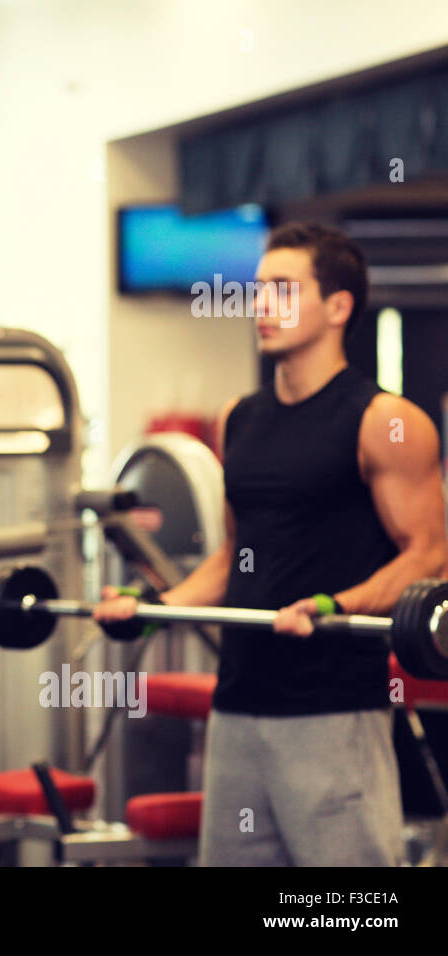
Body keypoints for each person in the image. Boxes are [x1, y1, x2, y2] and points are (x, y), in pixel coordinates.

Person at [95, 221, 448, 866]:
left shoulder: (385, 422)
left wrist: (336, 605)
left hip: (332, 713)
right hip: (238, 707)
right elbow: (235, 556)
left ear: (338, 306)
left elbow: (429, 553)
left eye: (283, 290)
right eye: (258, 291)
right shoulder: (241, 419)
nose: (261, 305)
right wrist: (153, 609)